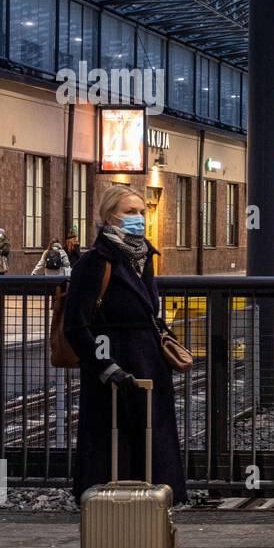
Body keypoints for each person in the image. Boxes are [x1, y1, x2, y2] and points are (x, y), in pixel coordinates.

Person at [66, 184, 187, 502]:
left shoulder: (143, 257)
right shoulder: (94, 263)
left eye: (141, 212)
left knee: (151, 446)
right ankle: (113, 513)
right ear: (108, 217)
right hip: (115, 372)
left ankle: (152, 509)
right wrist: (107, 368)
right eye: (129, 212)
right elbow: (76, 326)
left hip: (149, 367)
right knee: (113, 447)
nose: (138, 219)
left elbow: (148, 310)